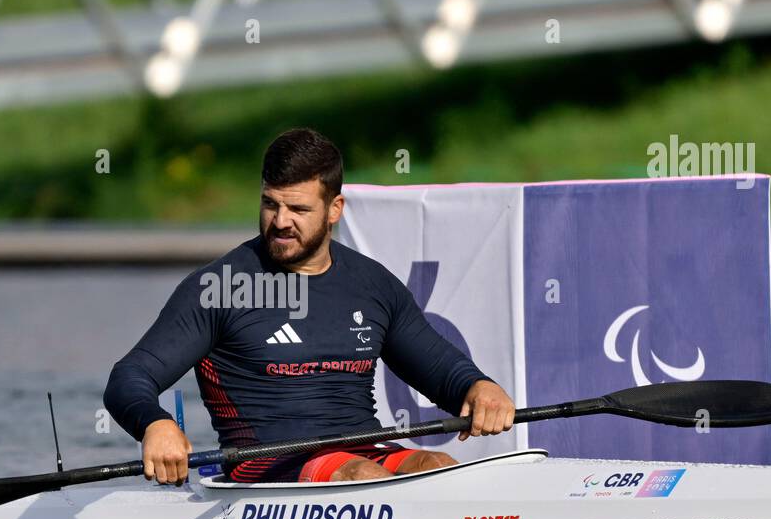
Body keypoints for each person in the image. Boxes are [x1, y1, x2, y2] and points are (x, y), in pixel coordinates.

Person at [104, 128, 514, 485]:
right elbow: (130, 377)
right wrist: (155, 424)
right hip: (264, 465)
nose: (281, 221)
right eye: (270, 204)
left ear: (335, 209)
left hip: (362, 455)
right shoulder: (220, 287)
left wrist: (479, 388)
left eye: (298, 209)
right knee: (362, 475)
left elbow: (440, 369)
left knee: (438, 465)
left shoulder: (372, 285)